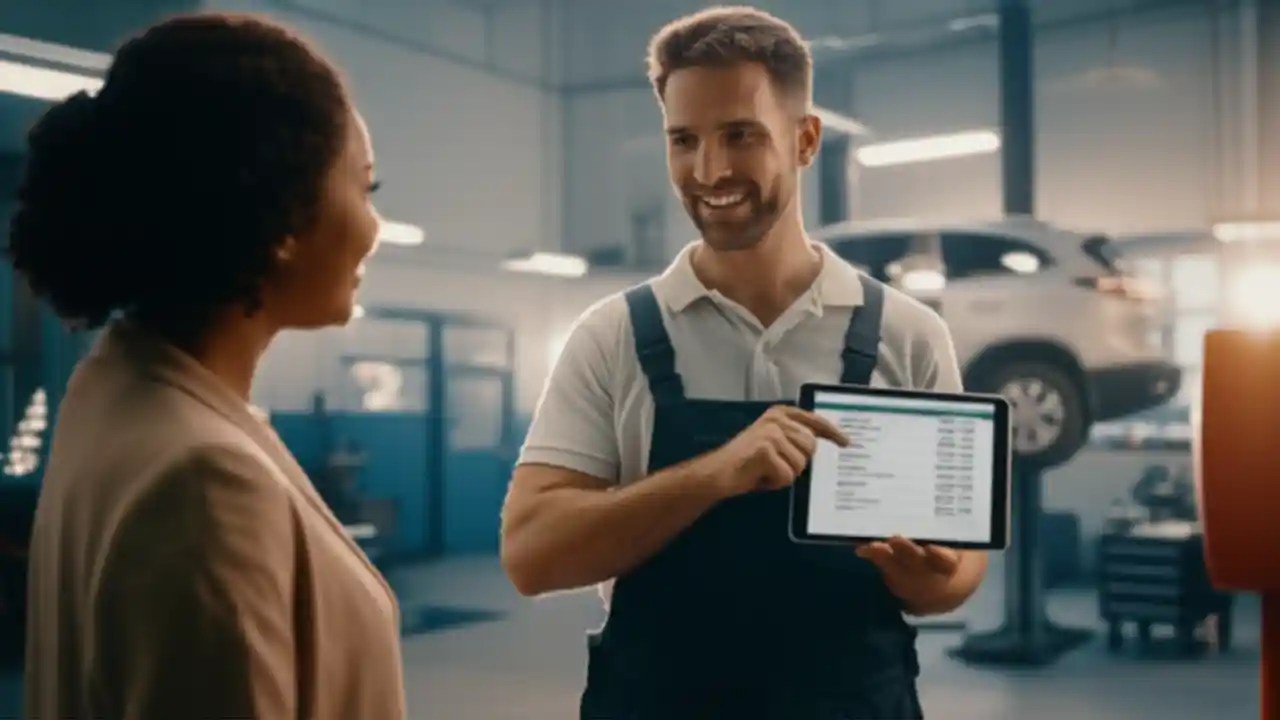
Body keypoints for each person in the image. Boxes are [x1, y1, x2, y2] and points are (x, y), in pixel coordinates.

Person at [501, 6, 988, 718]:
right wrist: (715, 475)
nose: (709, 170)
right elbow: (531, 555)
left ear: (806, 140)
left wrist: (932, 580)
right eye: (684, 140)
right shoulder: (613, 337)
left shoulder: (906, 334)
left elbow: (958, 568)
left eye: (740, 135)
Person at [11, 14, 405, 719]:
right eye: (365, 189)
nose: (374, 230)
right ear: (286, 216)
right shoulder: (205, 484)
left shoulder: (115, 390)